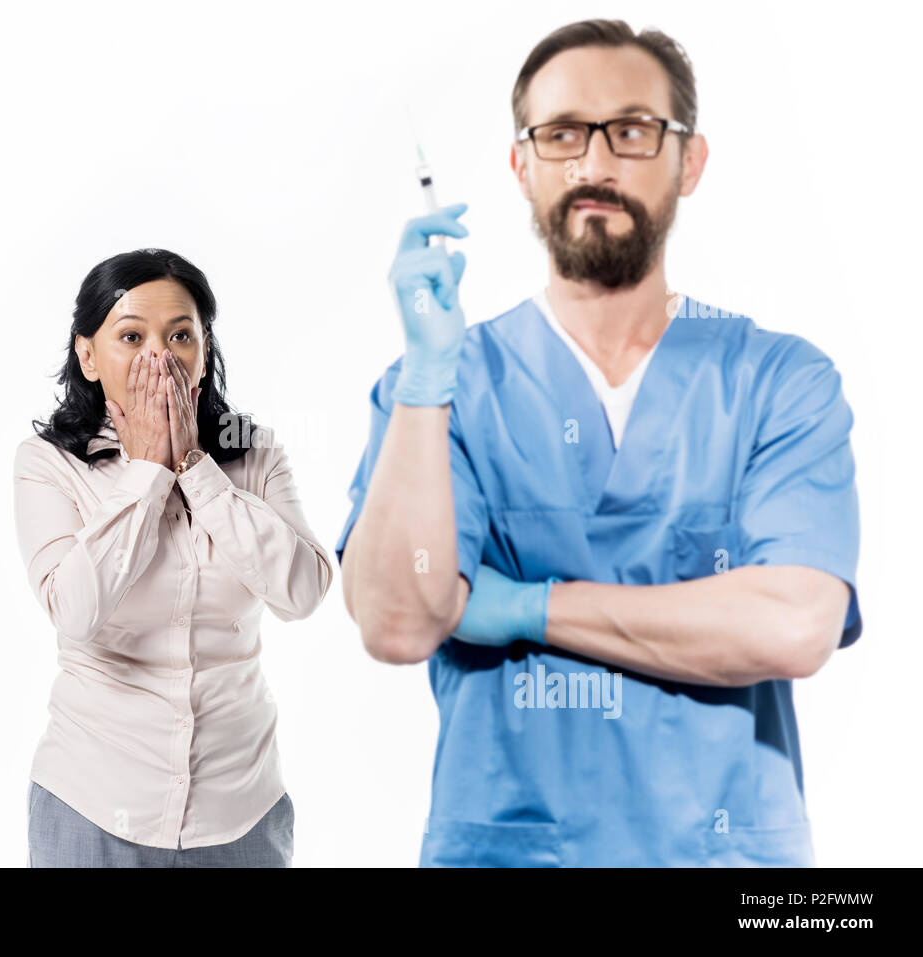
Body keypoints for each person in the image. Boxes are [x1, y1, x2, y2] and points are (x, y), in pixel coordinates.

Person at [337, 19, 861, 867]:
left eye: (631, 131)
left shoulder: (778, 382)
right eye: (562, 134)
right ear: (523, 165)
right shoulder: (446, 389)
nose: (593, 164)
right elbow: (399, 621)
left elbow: (797, 623)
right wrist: (426, 377)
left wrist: (525, 605)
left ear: (688, 161)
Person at [15, 248, 332, 866]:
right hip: (92, 805)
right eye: (130, 336)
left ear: (204, 350)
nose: (158, 357)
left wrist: (195, 468)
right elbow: (73, 610)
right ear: (87, 355)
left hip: (240, 813)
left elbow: (304, 592)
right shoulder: (48, 462)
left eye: (180, 335)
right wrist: (146, 473)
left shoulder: (253, 453)